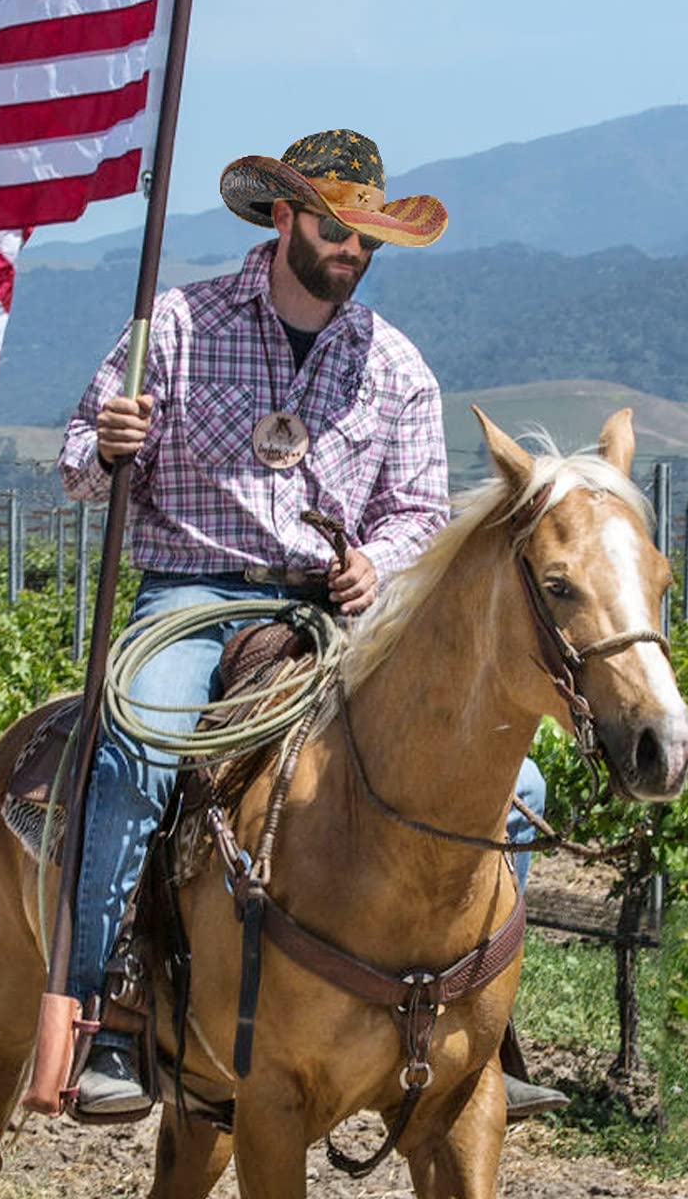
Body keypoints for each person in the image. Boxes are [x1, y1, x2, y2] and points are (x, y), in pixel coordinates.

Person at [57, 129, 556, 1117]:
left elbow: (417, 512)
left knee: (521, 780)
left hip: (333, 613)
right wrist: (109, 446)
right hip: (194, 597)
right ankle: (105, 1006)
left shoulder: (395, 365)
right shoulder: (178, 325)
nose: (351, 252)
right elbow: (78, 456)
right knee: (133, 753)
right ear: (282, 216)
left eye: (365, 238)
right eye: (335, 229)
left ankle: (481, 1023)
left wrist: (382, 560)